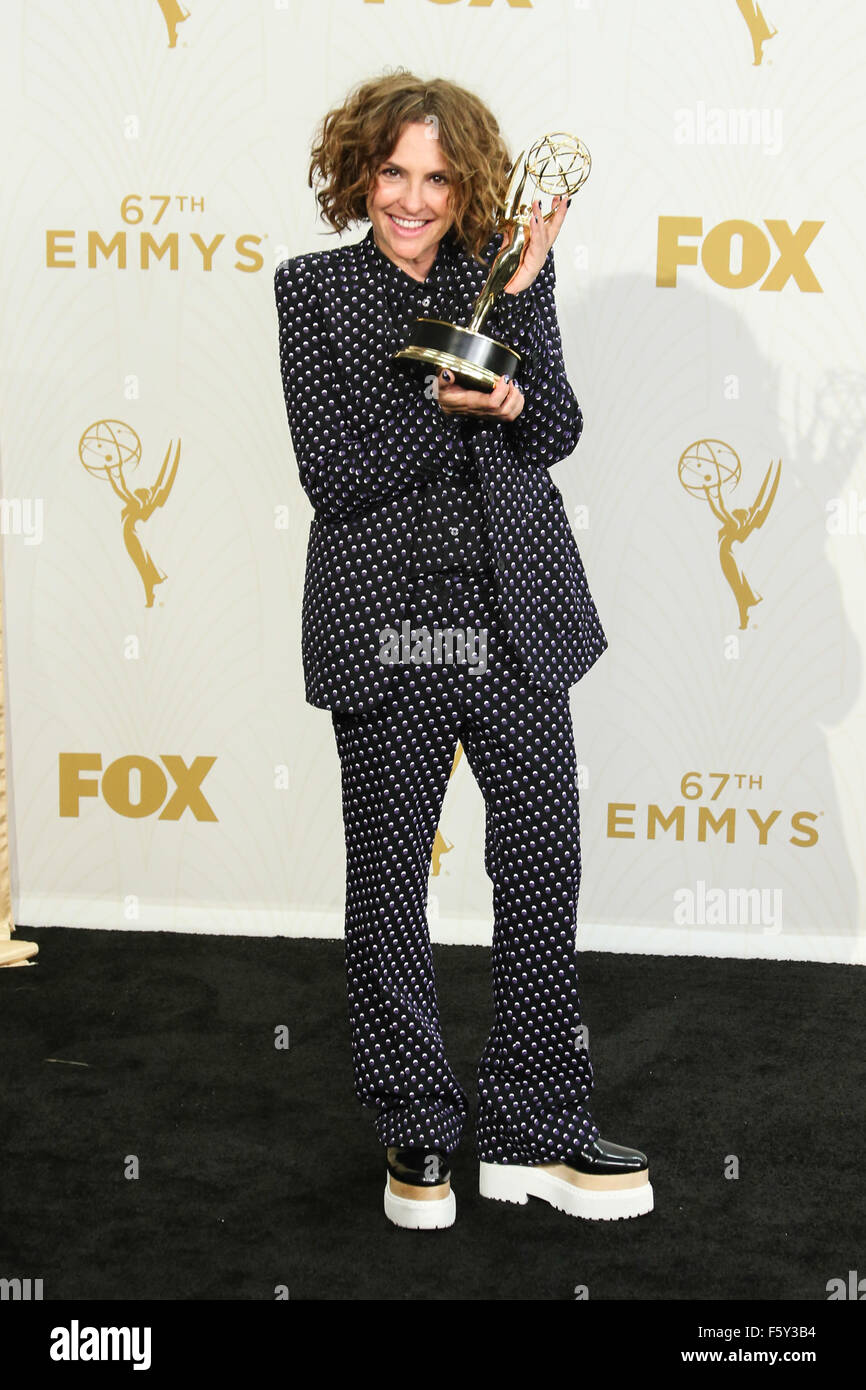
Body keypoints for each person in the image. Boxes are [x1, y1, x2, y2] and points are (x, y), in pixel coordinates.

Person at [274, 70, 653, 1229]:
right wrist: (450, 391)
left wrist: (511, 376)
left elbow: (558, 427)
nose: (412, 198)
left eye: (437, 178)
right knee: (388, 882)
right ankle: (417, 1134)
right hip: (388, 626)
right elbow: (337, 476)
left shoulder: (507, 271)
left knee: (541, 871)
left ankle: (532, 1127)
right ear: (358, 172)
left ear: (468, 184)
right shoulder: (313, 292)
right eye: (392, 172)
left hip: (511, 618)